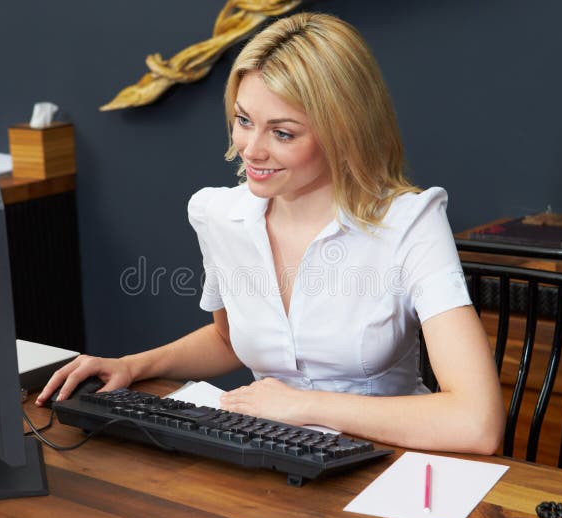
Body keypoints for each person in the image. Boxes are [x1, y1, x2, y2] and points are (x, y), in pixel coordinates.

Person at [37, 12, 504, 454]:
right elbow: (228, 340)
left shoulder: (409, 223)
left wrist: (304, 405)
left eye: (282, 133)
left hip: (387, 464)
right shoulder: (218, 215)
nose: (251, 150)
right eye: (244, 121)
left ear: (346, 132)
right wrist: (135, 365)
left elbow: (476, 421)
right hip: (271, 456)